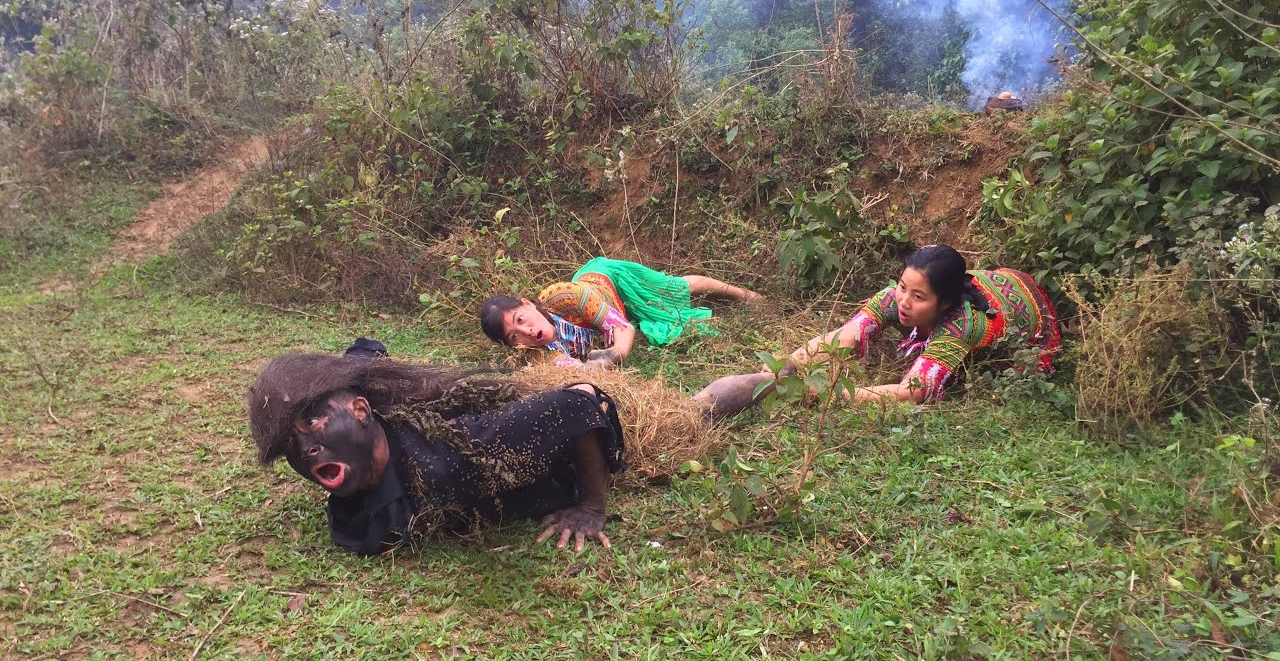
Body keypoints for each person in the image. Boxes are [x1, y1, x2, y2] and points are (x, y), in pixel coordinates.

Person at [248, 353, 626, 555]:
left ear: (361, 411)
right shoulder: (354, 508)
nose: (306, 450)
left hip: (556, 464)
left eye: (312, 424)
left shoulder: (454, 453)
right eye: (290, 445)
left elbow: (577, 402)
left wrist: (591, 506)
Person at [694, 245, 1061, 418]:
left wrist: (823, 394)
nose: (904, 302)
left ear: (945, 303)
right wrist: (789, 365)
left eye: (919, 297)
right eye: (902, 287)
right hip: (991, 279)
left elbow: (913, 391)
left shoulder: (961, 325)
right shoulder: (896, 296)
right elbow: (848, 334)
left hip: (1031, 311)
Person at [479, 257, 762, 369]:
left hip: (609, 278)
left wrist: (616, 354)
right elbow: (572, 370)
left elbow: (623, 328)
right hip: (603, 307)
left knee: (673, 289)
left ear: (527, 304)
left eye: (520, 319)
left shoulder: (566, 295)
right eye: (514, 337)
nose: (527, 332)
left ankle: (747, 295)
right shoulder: (535, 356)